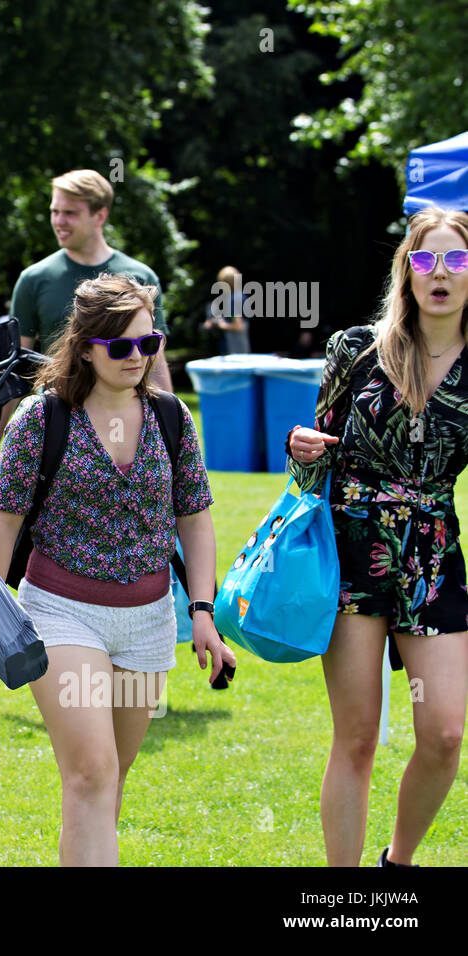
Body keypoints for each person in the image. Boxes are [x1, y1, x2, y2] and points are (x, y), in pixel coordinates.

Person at [0, 273, 234, 866]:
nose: (137, 357)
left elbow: (196, 520)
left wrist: (204, 612)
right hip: (60, 611)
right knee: (91, 772)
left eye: (149, 343)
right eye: (121, 346)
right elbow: (4, 524)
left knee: (106, 786)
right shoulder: (41, 418)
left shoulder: (172, 418)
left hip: (148, 620)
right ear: (86, 345)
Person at [287, 206, 468, 867]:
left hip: (433, 557)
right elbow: (313, 457)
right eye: (426, 260)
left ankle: (399, 862)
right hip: (353, 549)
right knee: (357, 737)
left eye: (456, 259)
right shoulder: (355, 349)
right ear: (407, 271)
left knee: (445, 731)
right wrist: (299, 449)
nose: (440, 273)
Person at [0, 169, 173, 480]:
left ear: (100, 214)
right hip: (58, 424)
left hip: (128, 421)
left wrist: (170, 427)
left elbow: (155, 362)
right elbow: (14, 367)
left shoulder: (140, 277)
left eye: (70, 213)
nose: (59, 221)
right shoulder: (34, 279)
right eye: (54, 212)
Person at [203, 265, 250, 354]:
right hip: (241, 345)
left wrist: (221, 324)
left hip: (235, 347)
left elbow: (238, 326)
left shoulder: (233, 300)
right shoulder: (240, 296)